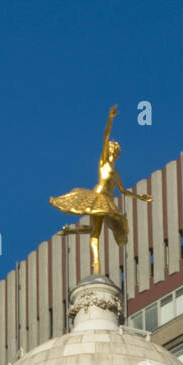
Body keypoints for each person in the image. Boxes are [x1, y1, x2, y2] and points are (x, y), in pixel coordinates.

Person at [50, 107, 152, 274]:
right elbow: (105, 137)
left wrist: (140, 196)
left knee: (95, 230)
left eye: (115, 149)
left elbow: (123, 191)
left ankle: (70, 231)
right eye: (113, 148)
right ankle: (96, 264)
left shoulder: (116, 173)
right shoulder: (103, 163)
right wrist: (110, 119)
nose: (114, 150)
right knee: (95, 233)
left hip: (108, 200)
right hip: (97, 197)